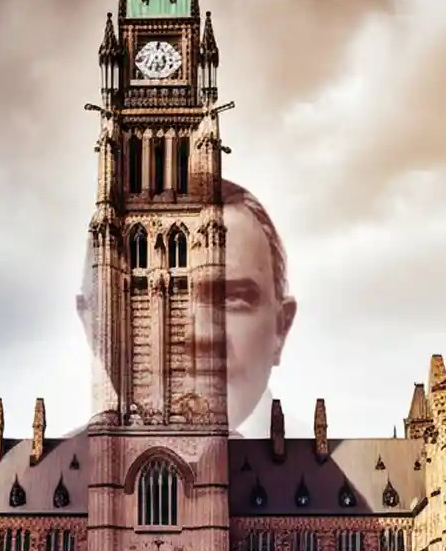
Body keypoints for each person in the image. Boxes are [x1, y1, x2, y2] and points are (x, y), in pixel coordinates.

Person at [76, 179, 297, 437]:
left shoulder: (326, 459)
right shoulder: (54, 459)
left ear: (281, 328)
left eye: (233, 299)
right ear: (93, 325)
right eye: (142, 295)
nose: (200, 336)